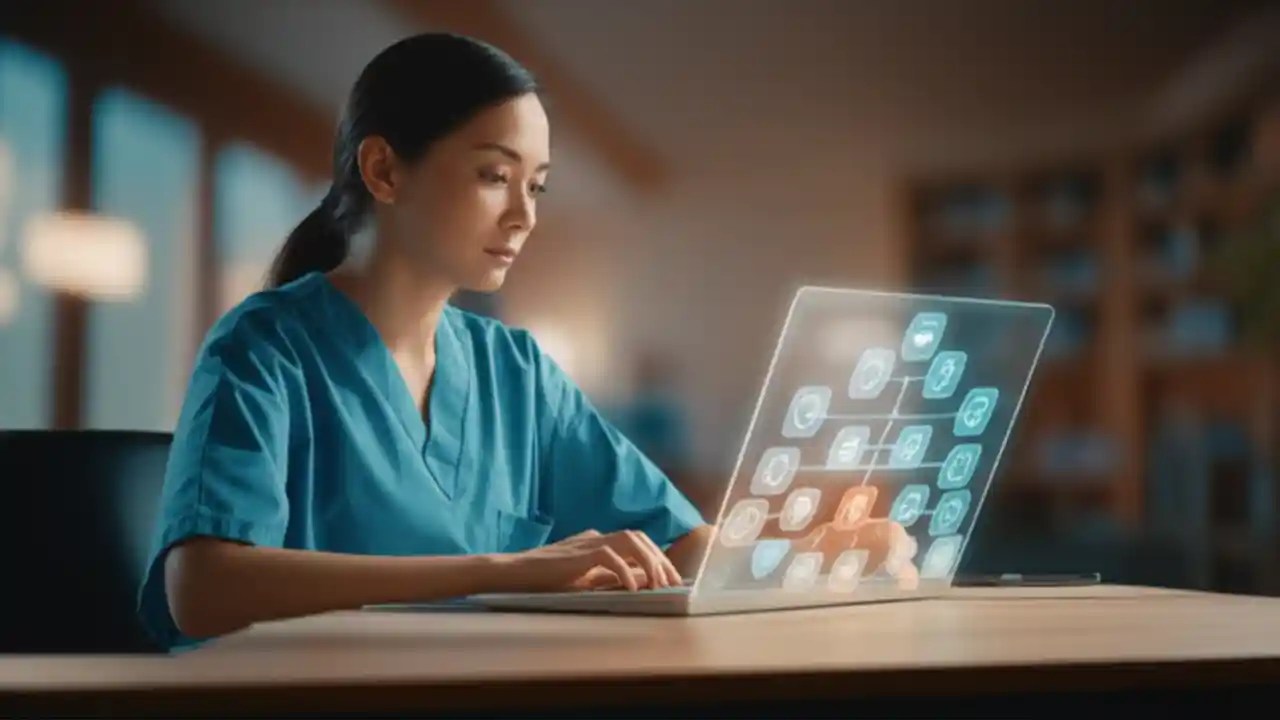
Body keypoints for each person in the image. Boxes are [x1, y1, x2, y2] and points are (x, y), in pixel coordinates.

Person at [136, 33, 714, 653]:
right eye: (495, 175)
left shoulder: (515, 372)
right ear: (383, 170)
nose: (524, 216)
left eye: (536, 187)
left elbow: (686, 541)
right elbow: (201, 587)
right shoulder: (264, 349)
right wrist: (503, 573)